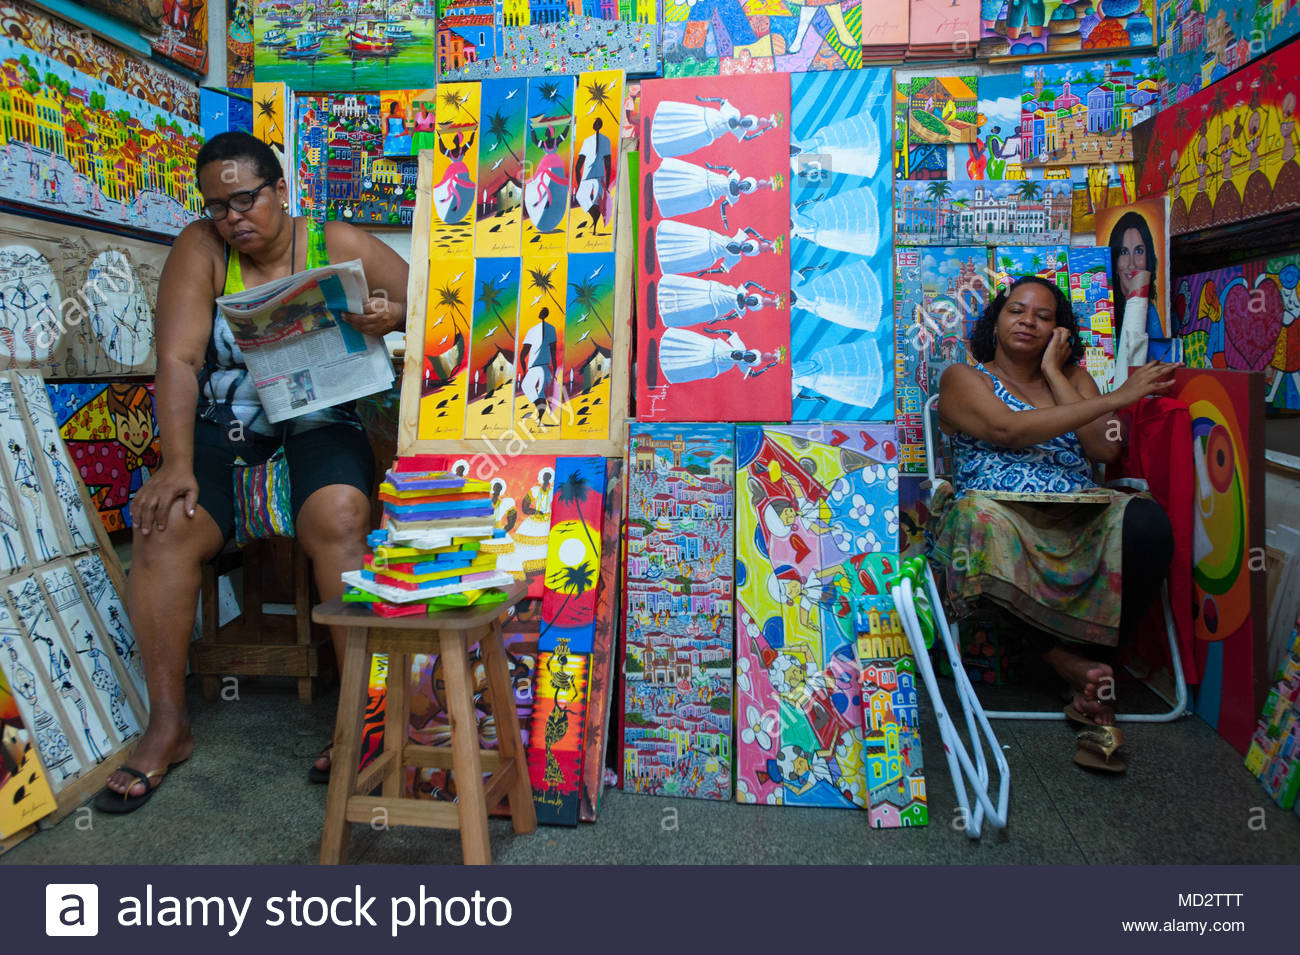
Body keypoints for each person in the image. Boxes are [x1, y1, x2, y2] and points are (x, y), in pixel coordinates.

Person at [95, 131, 409, 813]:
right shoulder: (200, 250)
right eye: (217, 205)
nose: (232, 217)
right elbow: (179, 361)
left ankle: (360, 720)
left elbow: (429, 303)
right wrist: (176, 464)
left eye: (245, 199)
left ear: (281, 192)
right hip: (226, 426)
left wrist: (391, 314)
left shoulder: (336, 240)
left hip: (322, 419)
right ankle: (168, 723)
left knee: (340, 516)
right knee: (163, 524)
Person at [933, 276, 1180, 773]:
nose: (1028, 321)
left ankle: (1083, 670)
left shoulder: (1074, 381)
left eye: (1043, 316)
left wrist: (1055, 372)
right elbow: (1005, 428)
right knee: (976, 524)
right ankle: (1076, 673)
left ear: (1059, 330)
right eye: (1016, 310)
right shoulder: (964, 378)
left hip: (1076, 510)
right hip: (999, 511)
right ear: (996, 321)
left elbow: (1105, 449)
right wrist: (1117, 398)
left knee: (1147, 524)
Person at [1107, 209, 1163, 342]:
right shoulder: (1105, 310)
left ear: (1148, 258)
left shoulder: (1150, 312)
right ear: (1115, 261)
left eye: (1139, 251)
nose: (1132, 265)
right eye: (1124, 252)